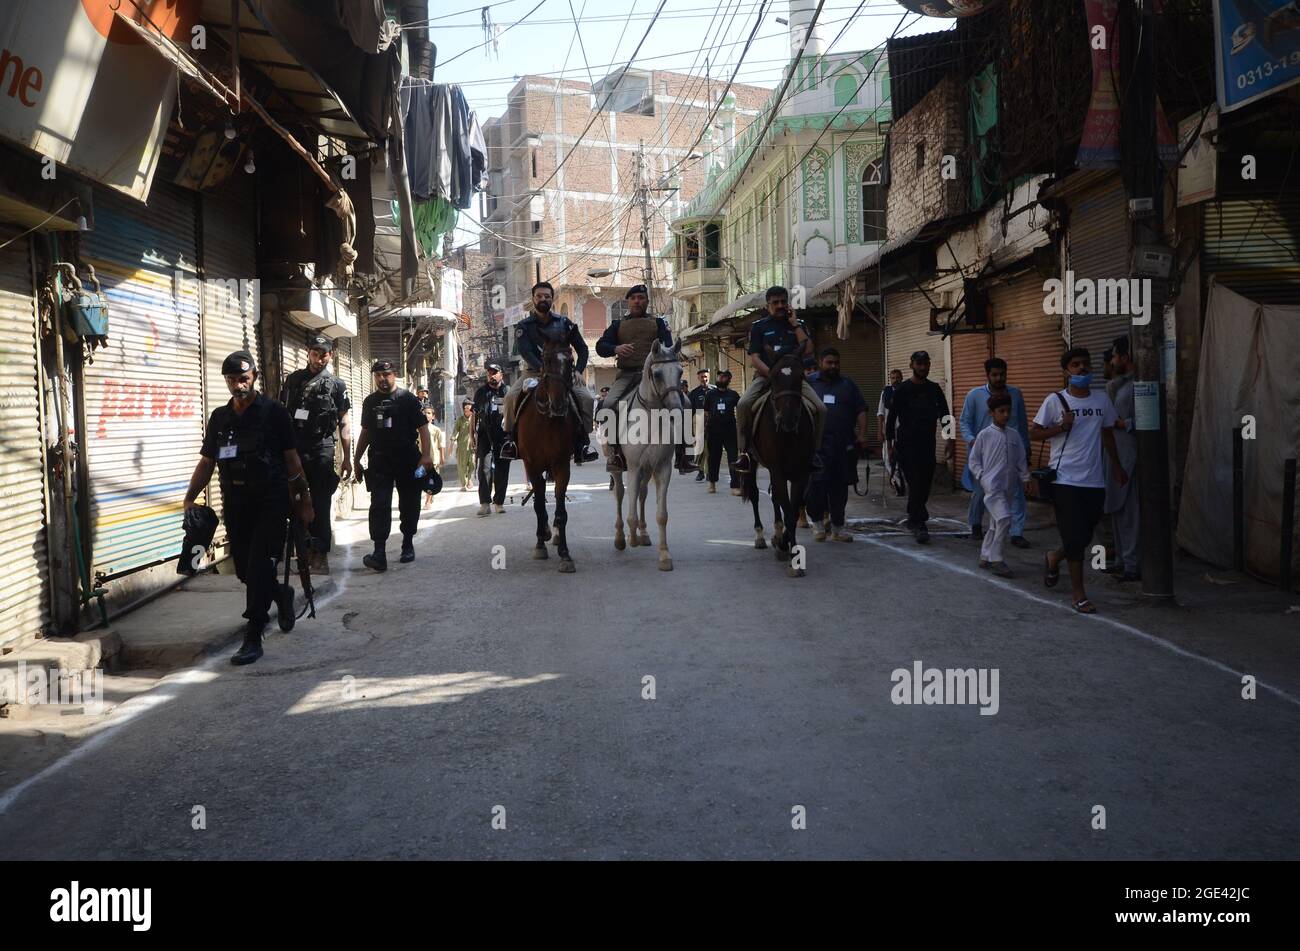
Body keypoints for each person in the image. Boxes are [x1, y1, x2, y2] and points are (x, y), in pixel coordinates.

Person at [183, 351, 313, 666]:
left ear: (253, 376)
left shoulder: (274, 413)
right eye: (231, 379)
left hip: (271, 500)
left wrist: (304, 498)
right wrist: (189, 497)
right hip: (236, 503)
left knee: (257, 567)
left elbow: (291, 459)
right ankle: (281, 595)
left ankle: (253, 633)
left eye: (243, 378)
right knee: (243, 569)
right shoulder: (219, 417)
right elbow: (207, 461)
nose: (238, 385)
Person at [1030, 347, 1127, 614]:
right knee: (1074, 537)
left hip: (1094, 481)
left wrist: (1117, 467)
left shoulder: (1101, 400)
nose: (1081, 369)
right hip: (1065, 480)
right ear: (1066, 371)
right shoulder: (1055, 401)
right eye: (1075, 365)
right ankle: (1079, 594)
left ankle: (1054, 557)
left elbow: (1107, 434)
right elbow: (1033, 434)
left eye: (1085, 364)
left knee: (1083, 536)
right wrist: (1060, 427)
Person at [595, 284, 696, 474]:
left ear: (646, 301)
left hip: (655, 377)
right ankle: (616, 454)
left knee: (687, 404)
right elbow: (601, 346)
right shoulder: (618, 325)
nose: (637, 301)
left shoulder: (658, 323)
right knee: (608, 405)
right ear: (628, 302)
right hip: (627, 374)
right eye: (633, 298)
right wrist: (615, 348)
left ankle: (684, 455)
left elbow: (667, 345)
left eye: (641, 298)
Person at [500, 281, 598, 465]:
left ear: (552, 299)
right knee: (510, 397)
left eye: (547, 296)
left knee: (587, 398)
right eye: (539, 296)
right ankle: (510, 441)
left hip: (562, 375)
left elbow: (582, 349)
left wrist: (578, 370)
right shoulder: (524, 326)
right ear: (533, 299)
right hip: (532, 373)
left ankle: (584, 443)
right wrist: (542, 370)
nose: (543, 299)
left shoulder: (564, 323)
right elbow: (526, 352)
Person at [734, 286, 827, 474]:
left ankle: (815, 452)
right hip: (766, 377)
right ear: (768, 305)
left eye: (783, 302)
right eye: (775, 303)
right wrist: (772, 374)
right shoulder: (759, 327)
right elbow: (755, 357)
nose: (780, 305)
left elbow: (808, 349)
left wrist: (795, 325)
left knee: (821, 408)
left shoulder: (798, 324)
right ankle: (744, 453)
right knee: (743, 405)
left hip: (793, 381)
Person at [280, 334, 351, 574]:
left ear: (331, 355)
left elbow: (343, 421)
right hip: (294, 449)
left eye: (324, 353)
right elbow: (282, 416)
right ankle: (303, 551)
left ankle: (320, 554)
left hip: (322, 449)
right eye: (315, 352)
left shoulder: (337, 385)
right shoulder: (293, 381)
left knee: (320, 502)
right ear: (308, 352)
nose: (319, 358)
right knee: (296, 501)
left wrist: (348, 457)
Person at [354, 359, 432, 571]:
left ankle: (407, 544)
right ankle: (379, 553)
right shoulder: (370, 402)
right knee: (379, 504)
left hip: (407, 458)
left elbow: (423, 428)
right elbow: (366, 431)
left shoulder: (408, 399)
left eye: (386, 375)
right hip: (379, 459)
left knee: (409, 501)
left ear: (394, 374)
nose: (382, 379)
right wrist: (356, 458)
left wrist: (426, 456)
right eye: (378, 375)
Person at [960, 357, 1030, 549]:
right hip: (984, 453)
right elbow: (964, 421)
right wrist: (972, 440)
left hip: (1010, 451)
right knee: (981, 490)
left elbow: (1022, 422)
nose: (999, 378)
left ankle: (1016, 532)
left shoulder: (1015, 394)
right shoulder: (975, 395)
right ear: (988, 375)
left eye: (1002, 374)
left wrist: (1026, 447)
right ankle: (975, 524)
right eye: (995, 375)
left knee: (1015, 493)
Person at [885, 351, 955, 544]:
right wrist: (889, 445)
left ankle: (912, 514)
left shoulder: (934, 389)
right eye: (919, 364)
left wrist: (950, 439)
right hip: (906, 446)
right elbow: (891, 419)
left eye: (926, 364)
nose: (923, 367)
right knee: (915, 482)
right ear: (912, 365)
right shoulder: (902, 390)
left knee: (924, 485)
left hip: (927, 445)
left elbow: (946, 414)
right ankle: (919, 522)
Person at [806, 348, 868, 542]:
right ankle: (816, 524)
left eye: (836, 363)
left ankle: (838, 528)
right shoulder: (809, 384)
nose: (833, 366)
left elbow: (861, 409)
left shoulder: (847, 384)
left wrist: (863, 434)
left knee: (839, 488)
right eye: (829, 363)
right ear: (821, 362)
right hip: (816, 446)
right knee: (816, 486)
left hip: (843, 445)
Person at [968, 392, 1030, 577]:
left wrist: (1026, 478)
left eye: (1008, 411)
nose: (1005, 415)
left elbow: (1020, 459)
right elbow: (973, 461)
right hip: (992, 486)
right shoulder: (984, 435)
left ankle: (985, 555)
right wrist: (982, 476)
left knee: (996, 523)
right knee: (1004, 519)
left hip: (1008, 486)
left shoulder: (1014, 435)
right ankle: (997, 558)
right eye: (1001, 411)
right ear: (991, 413)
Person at [1104, 335, 1141, 582]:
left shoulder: (1140, 386)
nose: (1112, 361)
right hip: (1117, 456)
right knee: (1118, 511)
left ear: (1126, 357)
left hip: (1131, 457)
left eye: (1115, 356)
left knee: (1131, 513)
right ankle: (1121, 560)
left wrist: (1122, 423)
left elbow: (1149, 422)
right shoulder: (1121, 386)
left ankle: (1133, 564)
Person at [472, 362, 511, 515]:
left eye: (495, 373)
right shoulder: (481, 392)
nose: (492, 375)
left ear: (501, 374)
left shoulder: (508, 392)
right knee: (485, 469)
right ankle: (485, 503)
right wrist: (472, 436)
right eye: (489, 373)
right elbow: (474, 415)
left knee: (502, 468)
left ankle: (499, 502)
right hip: (485, 434)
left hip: (503, 435)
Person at [705, 369, 742, 495]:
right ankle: (712, 483)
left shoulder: (733, 395)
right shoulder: (710, 394)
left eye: (724, 377)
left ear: (729, 380)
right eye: (720, 376)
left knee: (733, 458)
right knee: (714, 458)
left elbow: (740, 409)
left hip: (730, 430)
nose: (721, 378)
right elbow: (705, 411)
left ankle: (735, 486)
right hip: (714, 430)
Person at [877, 368, 905, 495]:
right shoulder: (886, 392)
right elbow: (880, 413)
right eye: (893, 378)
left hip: (903, 431)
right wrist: (879, 431)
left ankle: (897, 482)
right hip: (888, 431)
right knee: (887, 457)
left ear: (901, 378)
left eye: (897, 377)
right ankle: (895, 479)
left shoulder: (906, 391)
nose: (895, 380)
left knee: (899, 458)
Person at [688, 368, 714, 481]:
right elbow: (690, 411)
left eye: (706, 376)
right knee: (700, 448)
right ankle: (700, 471)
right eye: (702, 377)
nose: (704, 378)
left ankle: (709, 472)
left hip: (713, 421)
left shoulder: (715, 390)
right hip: (698, 421)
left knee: (711, 449)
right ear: (698, 378)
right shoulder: (694, 393)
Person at [422, 406, 445, 510]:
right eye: (424, 413)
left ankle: (427, 501)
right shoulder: (418, 430)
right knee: (419, 480)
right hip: (420, 461)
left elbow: (441, 445)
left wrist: (442, 458)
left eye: (428, 413)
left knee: (431, 481)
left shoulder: (436, 430)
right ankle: (428, 497)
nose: (426, 415)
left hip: (433, 460)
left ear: (433, 416)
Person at [451, 399, 474, 492]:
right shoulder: (460, 420)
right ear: (464, 409)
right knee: (462, 466)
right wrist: (451, 445)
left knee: (473, 464)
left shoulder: (474, 419)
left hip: (473, 447)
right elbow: (455, 432)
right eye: (467, 407)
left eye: (470, 407)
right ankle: (464, 484)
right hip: (462, 447)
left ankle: (469, 479)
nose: (468, 409)